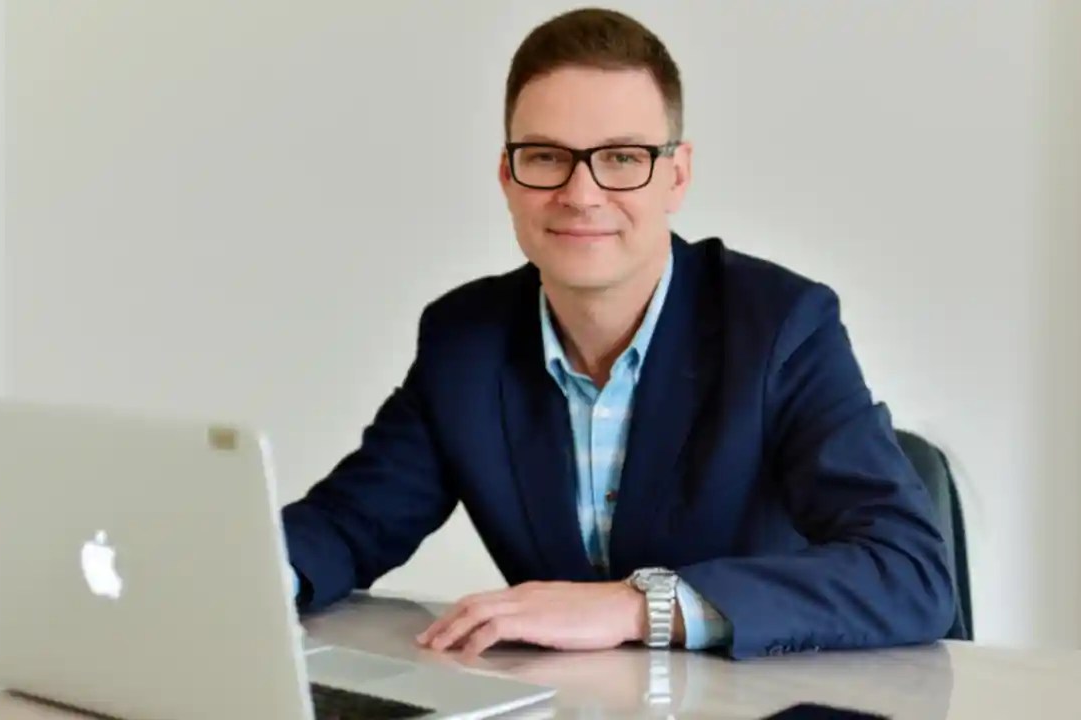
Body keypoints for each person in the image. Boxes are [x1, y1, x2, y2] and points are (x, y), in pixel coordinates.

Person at [280, 7, 954, 660]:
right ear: (507, 176)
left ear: (676, 175)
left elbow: (909, 572)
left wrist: (634, 606)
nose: (581, 193)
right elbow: (346, 527)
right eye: (546, 156)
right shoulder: (466, 340)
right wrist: (237, 582)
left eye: (622, 158)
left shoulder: (781, 325)